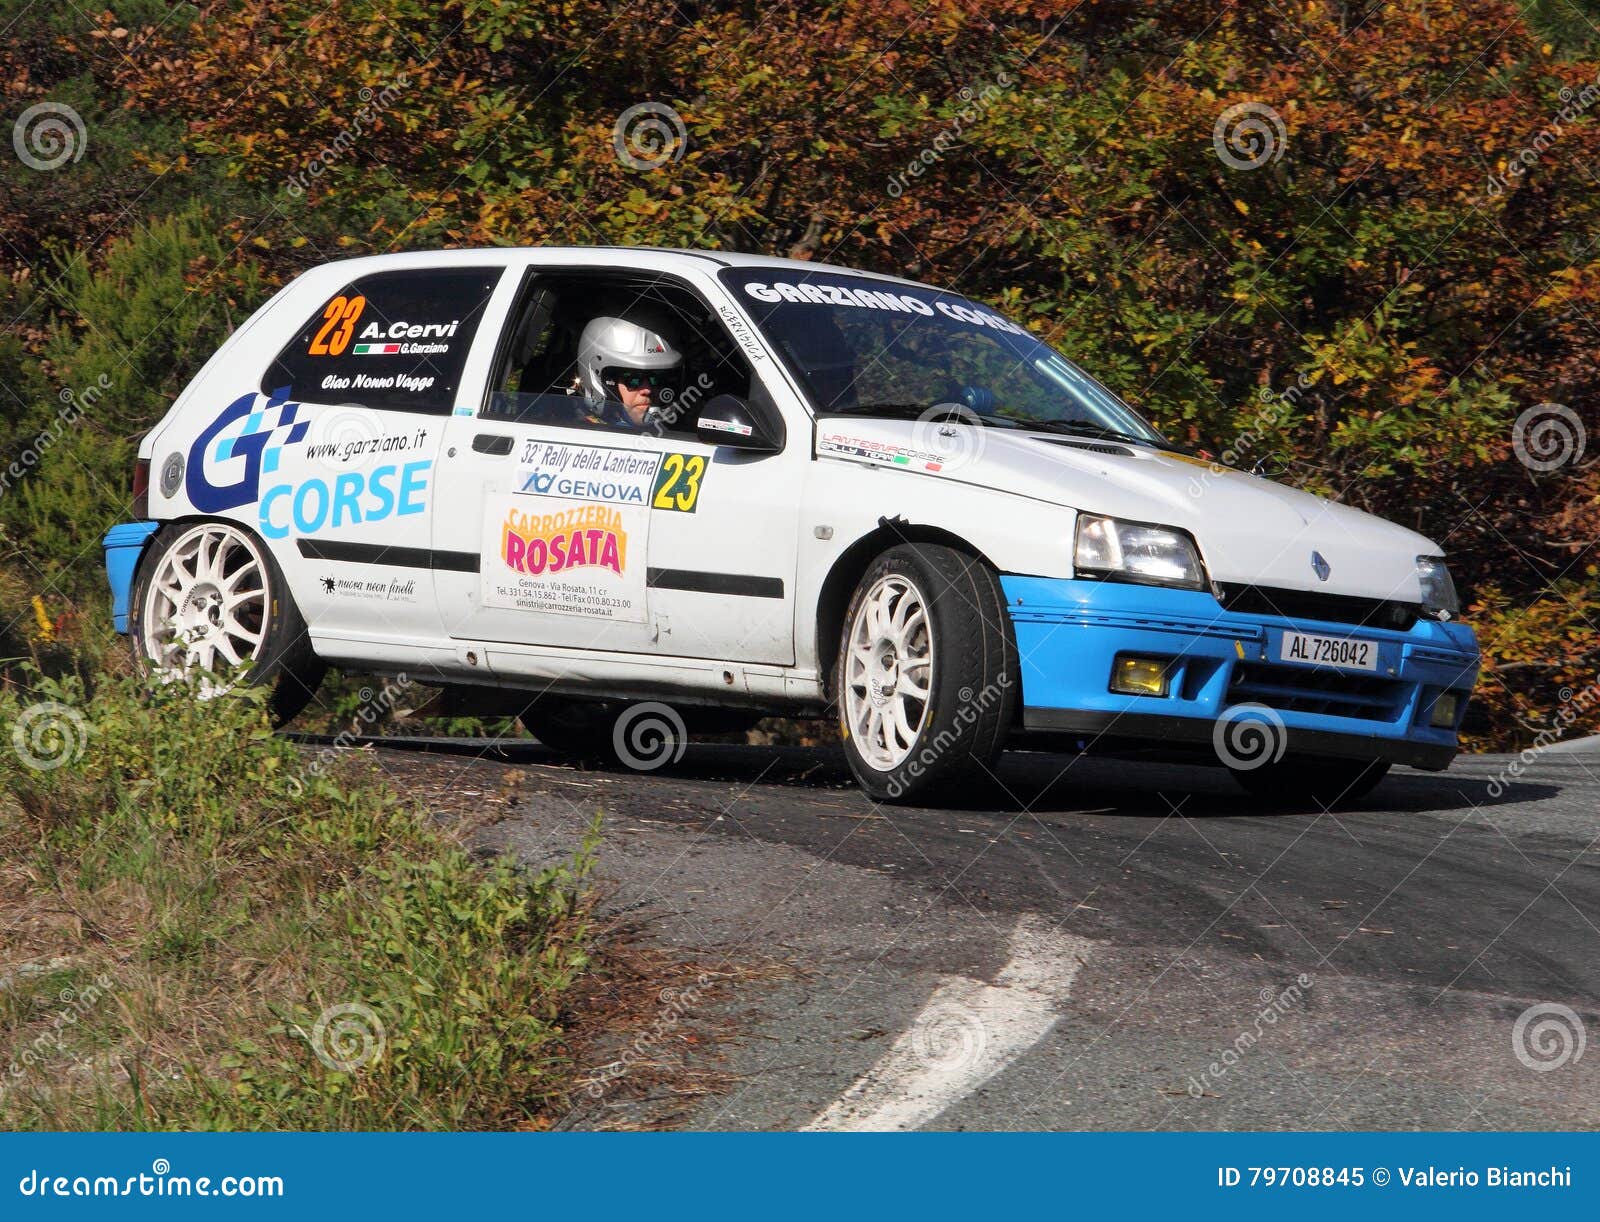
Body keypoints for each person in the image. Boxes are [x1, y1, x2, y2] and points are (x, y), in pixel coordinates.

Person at [572, 305, 686, 430]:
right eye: (633, 380)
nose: (647, 390)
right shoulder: (576, 436)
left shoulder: (682, 434)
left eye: (656, 379)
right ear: (602, 381)